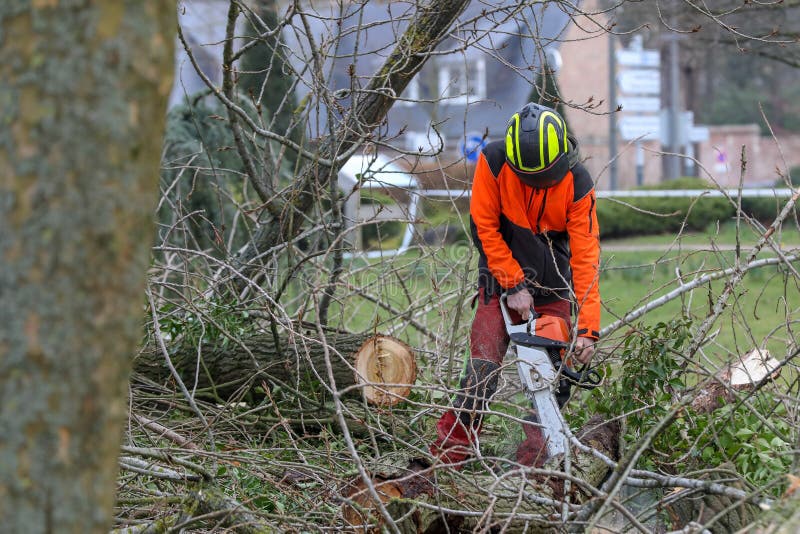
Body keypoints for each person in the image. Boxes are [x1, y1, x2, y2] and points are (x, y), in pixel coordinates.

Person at [430, 103, 601, 468]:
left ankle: (532, 469)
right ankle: (447, 459)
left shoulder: (578, 183)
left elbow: (586, 258)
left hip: (553, 287)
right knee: (481, 371)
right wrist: (512, 283)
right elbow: (483, 226)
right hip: (499, 277)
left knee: (551, 383)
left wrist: (588, 328)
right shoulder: (493, 162)